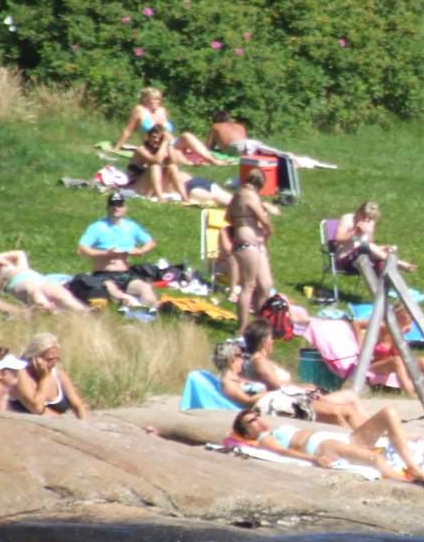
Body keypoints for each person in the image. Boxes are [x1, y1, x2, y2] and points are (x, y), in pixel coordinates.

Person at [230, 404, 424, 486]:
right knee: (374, 459)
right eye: (251, 421)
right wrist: (314, 459)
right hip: (323, 446)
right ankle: (410, 478)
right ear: (247, 432)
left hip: (344, 439)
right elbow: (283, 452)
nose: (257, 419)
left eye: (256, 415)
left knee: (388, 413)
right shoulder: (264, 439)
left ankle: (410, 464)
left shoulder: (275, 429)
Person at [235, 320, 369, 428]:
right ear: (264, 341)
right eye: (271, 337)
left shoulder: (258, 361)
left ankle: (370, 428)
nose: (273, 341)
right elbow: (277, 387)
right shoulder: (259, 362)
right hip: (292, 403)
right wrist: (304, 388)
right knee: (349, 399)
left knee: (349, 398)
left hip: (295, 398)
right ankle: (371, 430)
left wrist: (305, 387)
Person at [74, 194, 160, 310]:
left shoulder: (131, 227)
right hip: (103, 274)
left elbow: (150, 242)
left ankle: (152, 312)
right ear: (107, 207)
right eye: (113, 205)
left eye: (119, 205)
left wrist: (141, 250)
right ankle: (127, 304)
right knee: (115, 292)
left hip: (125, 274)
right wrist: (105, 254)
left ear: (125, 208)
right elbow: (82, 248)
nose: (116, 208)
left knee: (145, 288)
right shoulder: (97, 227)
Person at [226, 168, 276, 330]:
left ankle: (258, 324)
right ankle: (242, 327)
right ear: (259, 185)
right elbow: (264, 220)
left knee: (266, 285)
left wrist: (240, 222)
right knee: (248, 286)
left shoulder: (237, 195)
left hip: (250, 242)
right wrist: (268, 232)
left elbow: (227, 217)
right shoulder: (251, 196)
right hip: (248, 244)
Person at [113, 86, 218, 162]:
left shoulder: (162, 110)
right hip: (155, 146)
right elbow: (128, 131)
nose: (156, 102)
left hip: (172, 143)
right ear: (145, 99)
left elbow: (168, 131)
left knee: (187, 135)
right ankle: (210, 159)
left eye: (158, 99)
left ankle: (210, 158)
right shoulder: (139, 110)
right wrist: (117, 148)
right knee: (186, 138)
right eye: (153, 99)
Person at [129, 126, 229, 205]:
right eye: (153, 137)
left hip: (149, 184)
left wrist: (170, 147)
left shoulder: (161, 149)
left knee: (172, 167)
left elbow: (174, 162)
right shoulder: (141, 149)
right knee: (155, 167)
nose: (156, 140)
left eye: (159, 138)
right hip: (135, 184)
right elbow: (157, 161)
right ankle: (160, 198)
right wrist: (164, 142)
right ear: (148, 137)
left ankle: (184, 198)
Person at [0, 333, 90, 421]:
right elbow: (36, 408)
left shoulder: (59, 376)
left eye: (56, 359)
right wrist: (44, 379)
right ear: (35, 358)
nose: (54, 363)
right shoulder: (20, 374)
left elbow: (78, 405)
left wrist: (84, 424)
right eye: (50, 359)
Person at [332, 201, 416, 275]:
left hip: (363, 260)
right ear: (358, 211)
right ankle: (397, 263)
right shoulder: (348, 219)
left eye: (370, 218)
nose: (366, 220)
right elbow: (337, 241)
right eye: (364, 216)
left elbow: (369, 245)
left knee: (384, 265)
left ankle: (382, 292)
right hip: (345, 260)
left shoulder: (370, 223)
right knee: (366, 246)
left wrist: (382, 248)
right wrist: (355, 232)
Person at [0, 251, 83, 313]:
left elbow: (20, 253)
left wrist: (7, 263)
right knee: (34, 291)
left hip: (40, 279)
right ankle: (47, 307)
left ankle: (84, 311)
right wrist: (6, 264)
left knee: (63, 295)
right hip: (19, 281)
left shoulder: (23, 267)